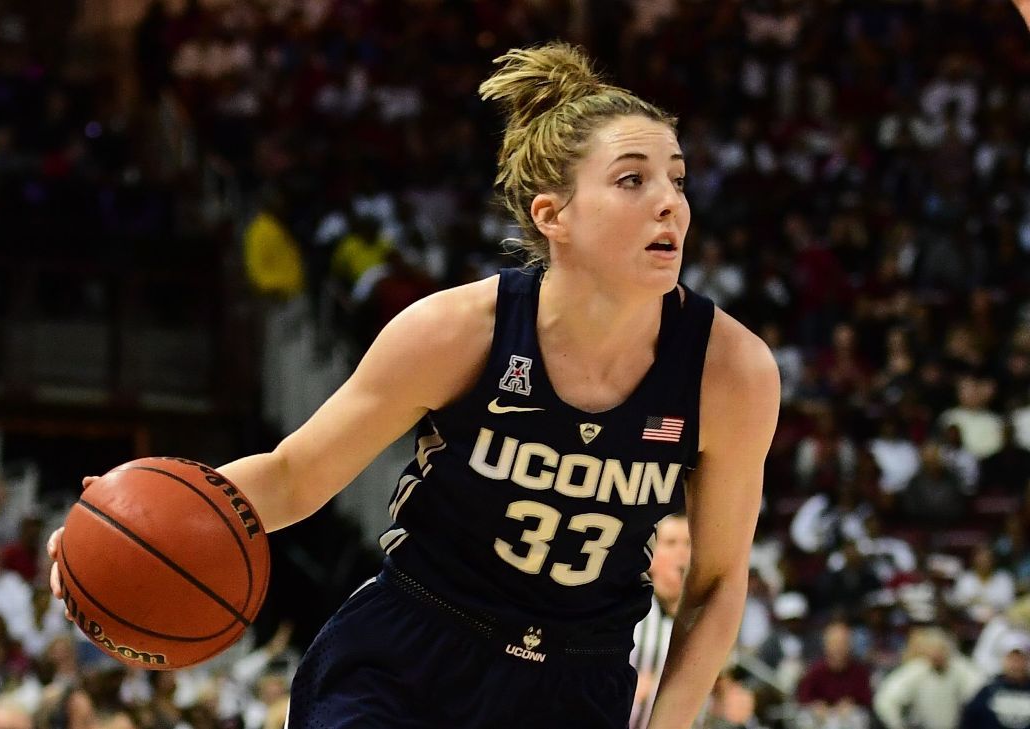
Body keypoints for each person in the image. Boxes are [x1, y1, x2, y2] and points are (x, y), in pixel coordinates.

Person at [49, 41, 780, 728]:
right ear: (552, 215)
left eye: (677, 179)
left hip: (576, 680)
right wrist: (135, 523)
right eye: (633, 179)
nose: (670, 203)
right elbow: (295, 474)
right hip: (410, 653)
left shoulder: (733, 373)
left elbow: (716, 585)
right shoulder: (457, 330)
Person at [630, 514, 690, 729]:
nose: (682, 554)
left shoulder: (705, 620)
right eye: (671, 543)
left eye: (689, 543)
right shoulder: (631, 612)